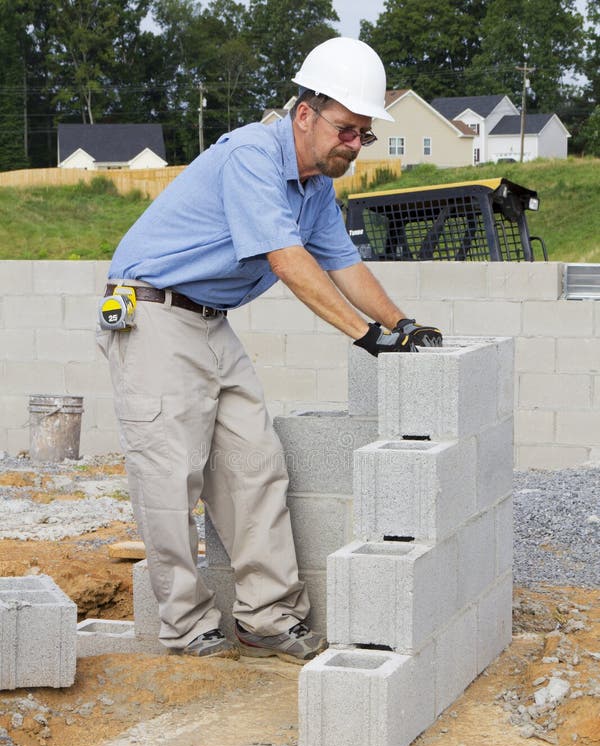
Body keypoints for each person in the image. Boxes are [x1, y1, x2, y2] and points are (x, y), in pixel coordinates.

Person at [98, 37, 442, 665]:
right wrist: (365, 336)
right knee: (171, 477)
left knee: (256, 465)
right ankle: (186, 624)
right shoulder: (252, 155)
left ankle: (268, 618)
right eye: (346, 129)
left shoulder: (313, 189)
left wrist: (404, 324)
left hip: (209, 321)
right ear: (305, 113)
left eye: (364, 135)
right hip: (152, 314)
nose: (354, 145)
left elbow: (343, 263)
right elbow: (287, 260)